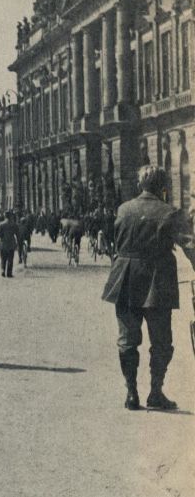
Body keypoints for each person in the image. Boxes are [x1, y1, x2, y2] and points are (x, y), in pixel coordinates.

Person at [102, 166, 195, 411]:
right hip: (157, 281)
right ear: (163, 187)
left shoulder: (123, 209)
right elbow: (191, 246)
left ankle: (131, 393)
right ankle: (155, 392)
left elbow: (116, 242)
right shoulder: (170, 213)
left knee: (127, 339)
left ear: (140, 185)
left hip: (124, 280)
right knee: (162, 341)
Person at [0, 211, 19, 278]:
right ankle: (9, 273)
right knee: (10, 259)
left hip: (3, 243)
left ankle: (3, 271)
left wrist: (1, 235)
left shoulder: (1, 224)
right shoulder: (14, 224)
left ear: (5, 216)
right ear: (11, 216)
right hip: (11, 243)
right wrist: (17, 242)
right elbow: (17, 233)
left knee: (3, 258)